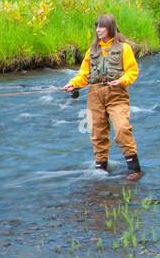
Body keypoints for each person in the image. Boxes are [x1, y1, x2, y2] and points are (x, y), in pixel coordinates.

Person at [61, 14, 143, 180]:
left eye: (101, 27)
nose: (98, 30)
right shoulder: (92, 51)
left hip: (117, 94)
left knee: (122, 129)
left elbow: (132, 71)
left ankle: (134, 169)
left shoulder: (124, 48)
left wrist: (121, 81)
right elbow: (84, 74)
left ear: (110, 28)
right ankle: (101, 171)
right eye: (96, 27)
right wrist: (73, 84)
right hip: (94, 95)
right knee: (97, 133)